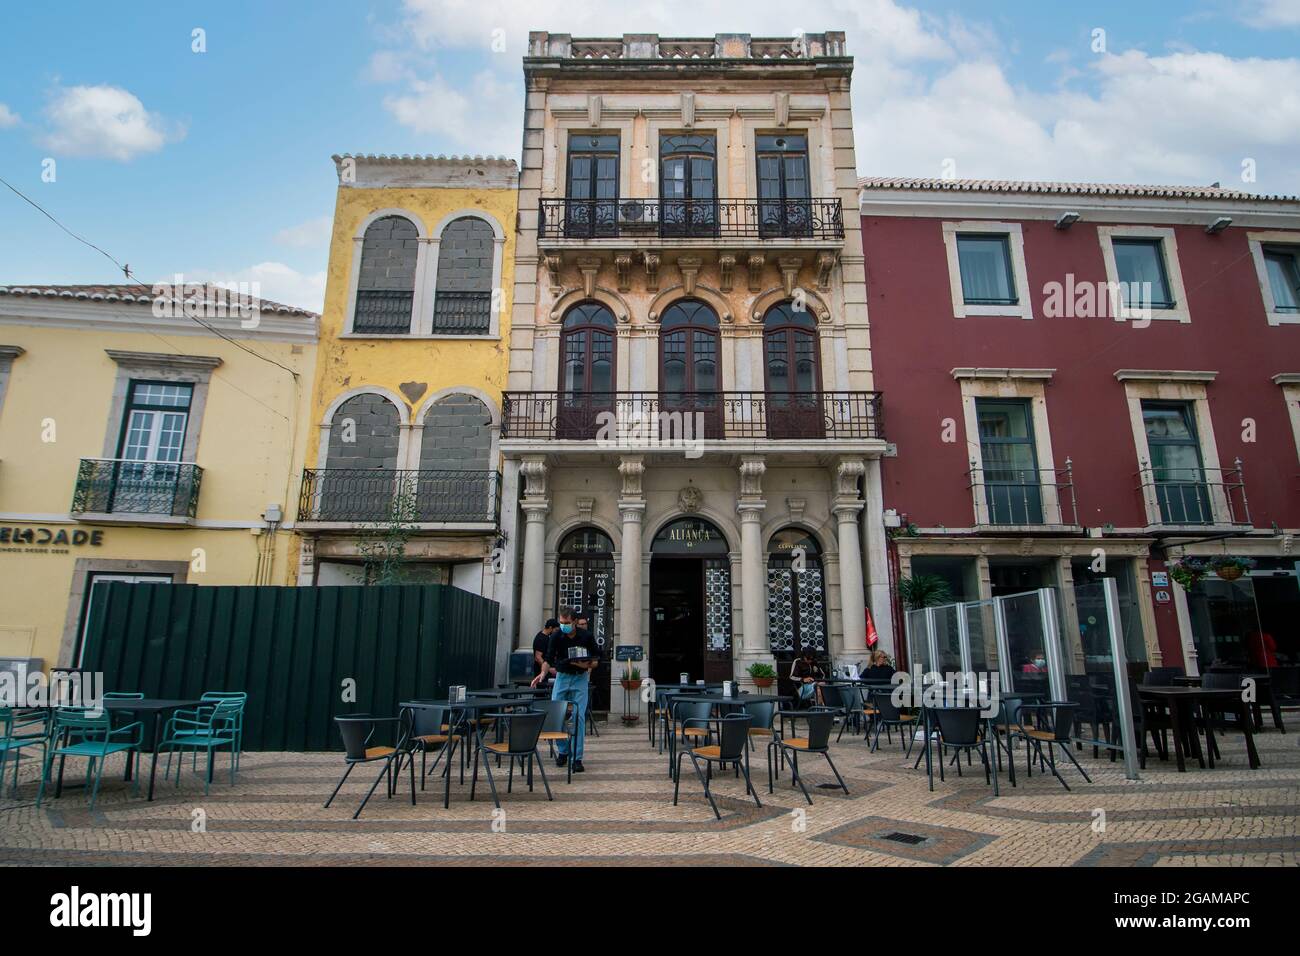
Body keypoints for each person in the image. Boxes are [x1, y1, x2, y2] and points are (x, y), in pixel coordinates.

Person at [531, 606, 597, 772]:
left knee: (578, 716)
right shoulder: (556, 636)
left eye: (566, 622)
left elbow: (596, 659)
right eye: (561, 622)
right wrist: (542, 673)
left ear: (574, 622)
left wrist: (586, 665)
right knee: (556, 714)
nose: (563, 625)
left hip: (579, 677)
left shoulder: (586, 636)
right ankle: (563, 750)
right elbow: (547, 658)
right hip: (562, 676)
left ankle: (577, 758)